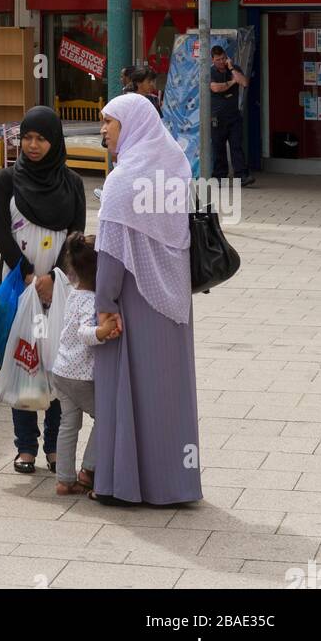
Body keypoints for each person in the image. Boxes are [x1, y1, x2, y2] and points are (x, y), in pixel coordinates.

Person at [93, 92, 202, 506]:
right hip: (174, 301)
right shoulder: (175, 167)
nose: (103, 130)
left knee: (130, 391)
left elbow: (111, 255)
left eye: (110, 122)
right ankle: (177, 484)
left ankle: (125, 485)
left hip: (134, 302)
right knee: (170, 395)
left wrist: (104, 304)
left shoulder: (123, 179)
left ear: (132, 124)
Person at [0, 106, 86, 474]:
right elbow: (1, 234)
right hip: (18, 283)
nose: (32, 145)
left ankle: (55, 447)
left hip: (59, 285)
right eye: (27, 138)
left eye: (41, 139)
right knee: (22, 357)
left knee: (57, 361)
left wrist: (53, 277)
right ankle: (25, 447)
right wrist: (30, 275)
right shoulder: (6, 180)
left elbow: (76, 236)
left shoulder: (73, 184)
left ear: (55, 141)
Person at [52, 232, 121, 496]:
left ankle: (63, 480)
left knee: (69, 424)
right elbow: (84, 332)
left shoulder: (73, 294)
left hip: (61, 371)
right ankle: (88, 470)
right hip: (81, 375)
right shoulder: (92, 301)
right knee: (106, 417)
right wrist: (102, 332)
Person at [210, 45, 254, 187]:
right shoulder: (210, 72)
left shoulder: (234, 69)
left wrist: (231, 69)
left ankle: (242, 176)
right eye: (218, 60)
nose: (221, 62)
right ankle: (219, 176)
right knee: (219, 147)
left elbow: (244, 82)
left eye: (223, 58)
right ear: (213, 60)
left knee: (236, 146)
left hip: (233, 115)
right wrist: (231, 82)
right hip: (217, 116)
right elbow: (216, 88)